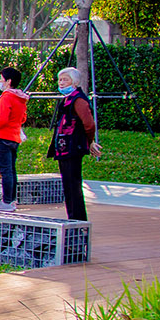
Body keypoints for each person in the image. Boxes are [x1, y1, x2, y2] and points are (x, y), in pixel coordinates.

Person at [49, 66, 100, 222]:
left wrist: (90, 142)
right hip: (64, 148)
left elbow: (89, 124)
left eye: (66, 79)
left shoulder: (78, 100)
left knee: (73, 185)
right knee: (68, 185)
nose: (62, 83)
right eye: (60, 79)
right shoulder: (67, 99)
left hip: (72, 147)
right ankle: (72, 217)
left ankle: (77, 219)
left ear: (75, 82)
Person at [0, 66, 29, 213]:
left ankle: (6, 201)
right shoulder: (21, 97)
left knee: (5, 171)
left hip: (2, 136)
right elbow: (23, 117)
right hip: (15, 136)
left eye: (1, 79)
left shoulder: (6, 97)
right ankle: (11, 200)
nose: (0, 82)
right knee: (11, 170)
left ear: (8, 81)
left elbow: (2, 118)